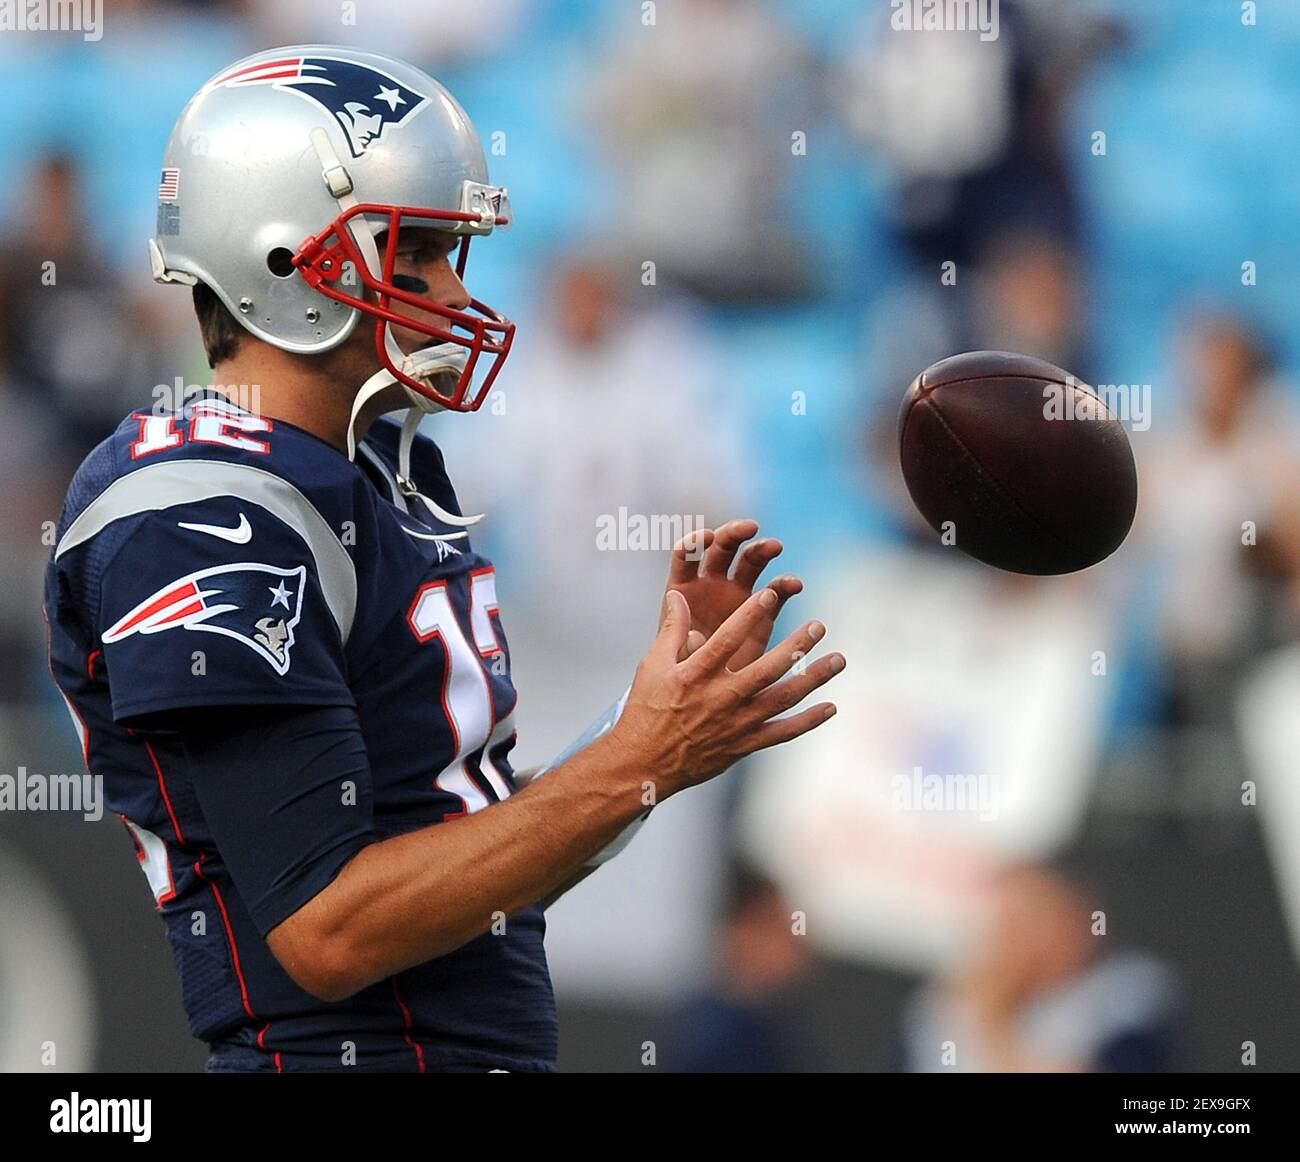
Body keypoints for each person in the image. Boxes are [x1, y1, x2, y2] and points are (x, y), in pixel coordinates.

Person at [43, 46, 843, 1073]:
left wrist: (649, 738)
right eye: (413, 251)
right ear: (281, 255)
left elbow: (474, 862)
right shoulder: (202, 507)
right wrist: (635, 763)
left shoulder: (376, 469)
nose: (449, 289)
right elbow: (328, 929)